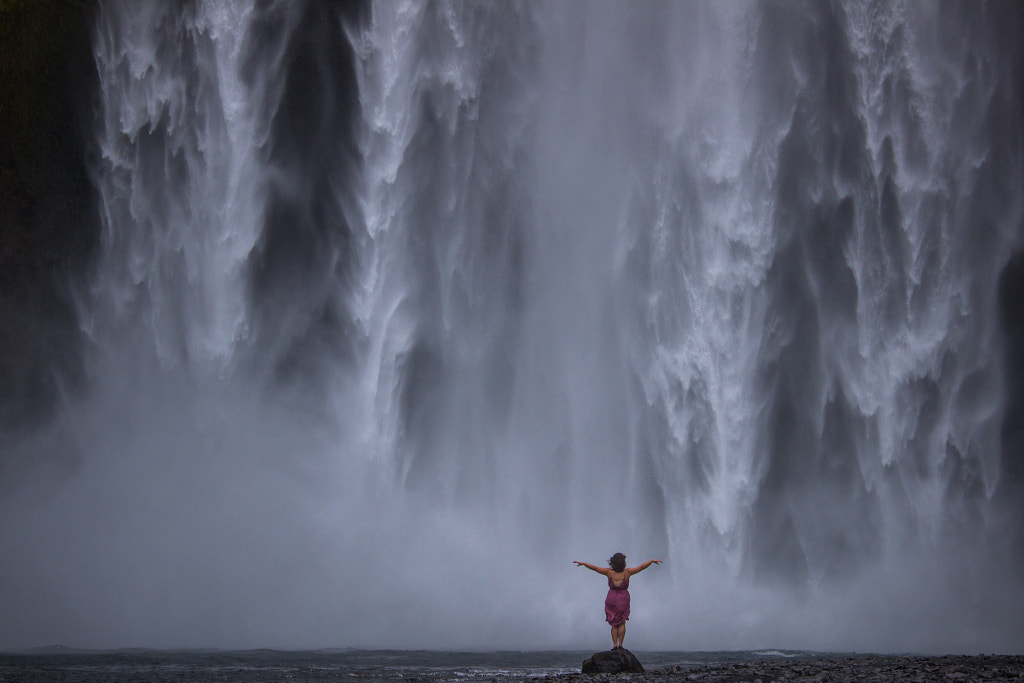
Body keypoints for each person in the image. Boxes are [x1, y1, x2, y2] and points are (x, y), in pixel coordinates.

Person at [573, 553, 662, 649]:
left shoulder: (609, 572)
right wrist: (651, 561)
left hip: (611, 598)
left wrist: (583, 563)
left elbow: (594, 568)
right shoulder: (627, 573)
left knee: (613, 623)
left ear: (612, 563)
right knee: (622, 622)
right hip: (623, 598)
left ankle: (614, 644)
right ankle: (621, 644)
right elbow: (641, 567)